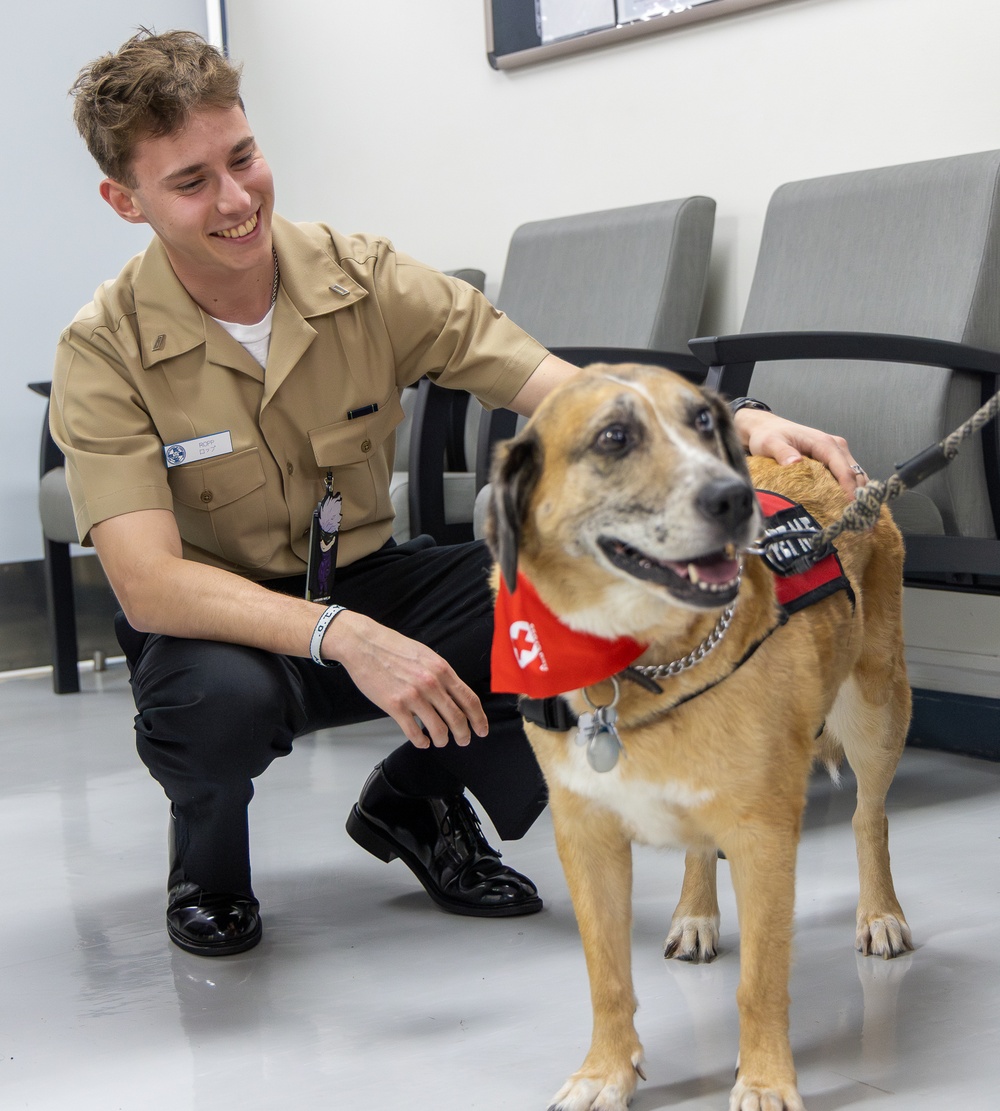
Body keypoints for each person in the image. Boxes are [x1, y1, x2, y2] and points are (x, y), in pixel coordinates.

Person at [52, 29, 868, 958]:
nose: (237, 200)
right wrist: (342, 635)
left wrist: (736, 423)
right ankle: (208, 865)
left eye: (243, 158)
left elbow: (556, 387)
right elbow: (149, 583)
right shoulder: (103, 349)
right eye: (192, 182)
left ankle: (417, 799)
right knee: (212, 702)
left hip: (369, 575)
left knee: (561, 607)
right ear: (126, 200)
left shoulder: (361, 277)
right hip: (222, 621)